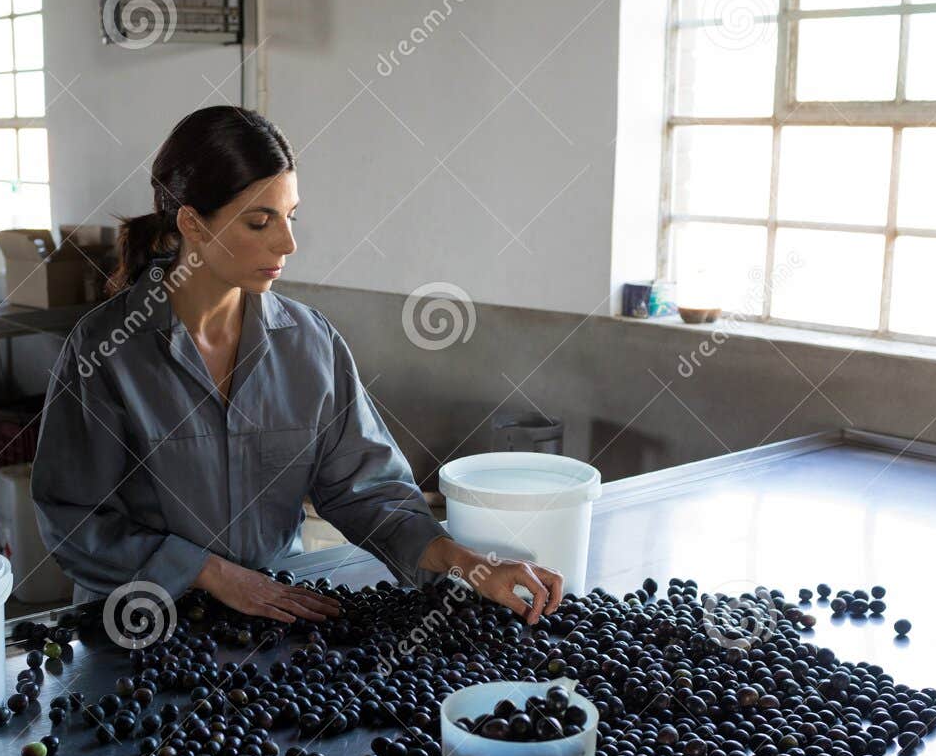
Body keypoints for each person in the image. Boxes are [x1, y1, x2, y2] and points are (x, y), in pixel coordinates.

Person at [31, 105, 564, 625]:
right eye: (259, 222)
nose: (287, 243)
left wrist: (463, 561)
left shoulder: (309, 343)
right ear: (192, 223)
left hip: (271, 625)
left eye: (290, 217)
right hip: (137, 628)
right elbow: (73, 519)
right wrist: (208, 572)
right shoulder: (106, 349)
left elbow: (368, 490)